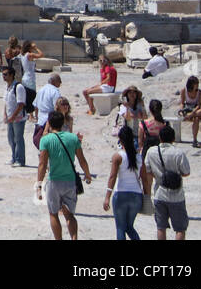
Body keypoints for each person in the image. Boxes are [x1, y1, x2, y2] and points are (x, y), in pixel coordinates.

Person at [36, 110, 93, 240]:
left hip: (54, 181)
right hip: (70, 181)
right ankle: (74, 238)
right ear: (63, 123)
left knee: (53, 214)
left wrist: (39, 184)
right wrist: (88, 175)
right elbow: (82, 159)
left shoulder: (45, 140)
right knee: (70, 215)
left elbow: (42, 165)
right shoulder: (73, 138)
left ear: (49, 123)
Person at [103, 124, 149, 241]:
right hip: (136, 196)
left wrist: (107, 197)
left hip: (121, 194)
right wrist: (147, 196)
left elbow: (112, 177)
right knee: (129, 226)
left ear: (120, 139)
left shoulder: (118, 156)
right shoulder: (139, 157)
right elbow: (144, 179)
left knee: (120, 228)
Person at [145, 125, 191, 240]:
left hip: (159, 193)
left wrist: (158, 176)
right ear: (173, 138)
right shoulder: (179, 153)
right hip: (177, 196)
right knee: (180, 229)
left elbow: (147, 170)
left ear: (160, 138)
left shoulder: (151, 151)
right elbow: (186, 172)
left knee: (161, 227)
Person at [3, 64, 29, 168]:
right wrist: (5, 114)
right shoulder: (7, 87)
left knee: (18, 138)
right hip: (10, 117)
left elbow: (21, 104)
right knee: (10, 138)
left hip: (18, 118)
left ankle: (20, 160)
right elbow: (6, 102)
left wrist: (13, 116)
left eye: (5, 74)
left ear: (12, 75)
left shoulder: (19, 87)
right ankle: (14, 157)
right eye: (3, 74)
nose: (3, 76)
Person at [33, 73, 62, 149]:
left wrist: (37, 118)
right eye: (59, 80)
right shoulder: (55, 91)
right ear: (53, 81)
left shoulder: (41, 90)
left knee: (41, 145)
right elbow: (57, 107)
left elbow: (35, 106)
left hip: (40, 120)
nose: (60, 83)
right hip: (50, 121)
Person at [179, 76, 201, 147]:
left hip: (195, 110)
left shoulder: (199, 92)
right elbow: (182, 103)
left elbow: (199, 105)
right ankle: (195, 140)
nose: (197, 86)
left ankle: (190, 116)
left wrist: (192, 113)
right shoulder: (184, 91)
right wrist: (182, 110)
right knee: (196, 118)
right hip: (188, 109)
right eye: (196, 84)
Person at [20, 40, 42, 114]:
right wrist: (36, 48)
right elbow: (41, 55)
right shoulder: (29, 55)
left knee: (27, 96)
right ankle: (31, 114)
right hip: (30, 78)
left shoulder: (23, 55)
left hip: (25, 77)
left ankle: (28, 113)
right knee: (32, 96)